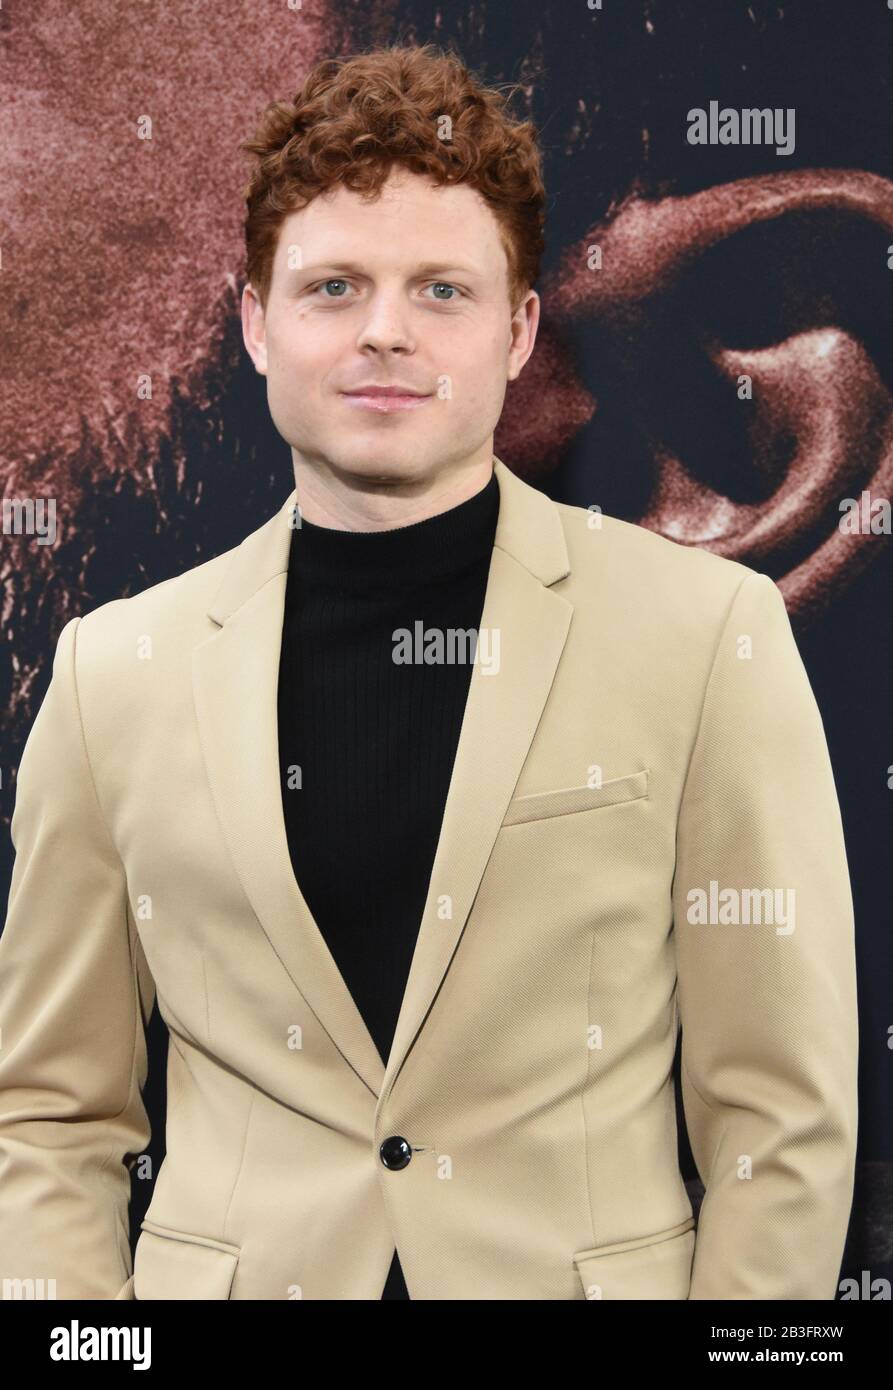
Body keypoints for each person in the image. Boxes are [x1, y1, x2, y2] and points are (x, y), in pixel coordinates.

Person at [0, 43, 857, 1301]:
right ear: (256, 321)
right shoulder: (113, 670)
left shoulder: (704, 638)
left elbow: (777, 1120)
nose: (384, 333)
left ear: (519, 331)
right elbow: (51, 1117)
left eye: (441, 291)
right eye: (333, 285)